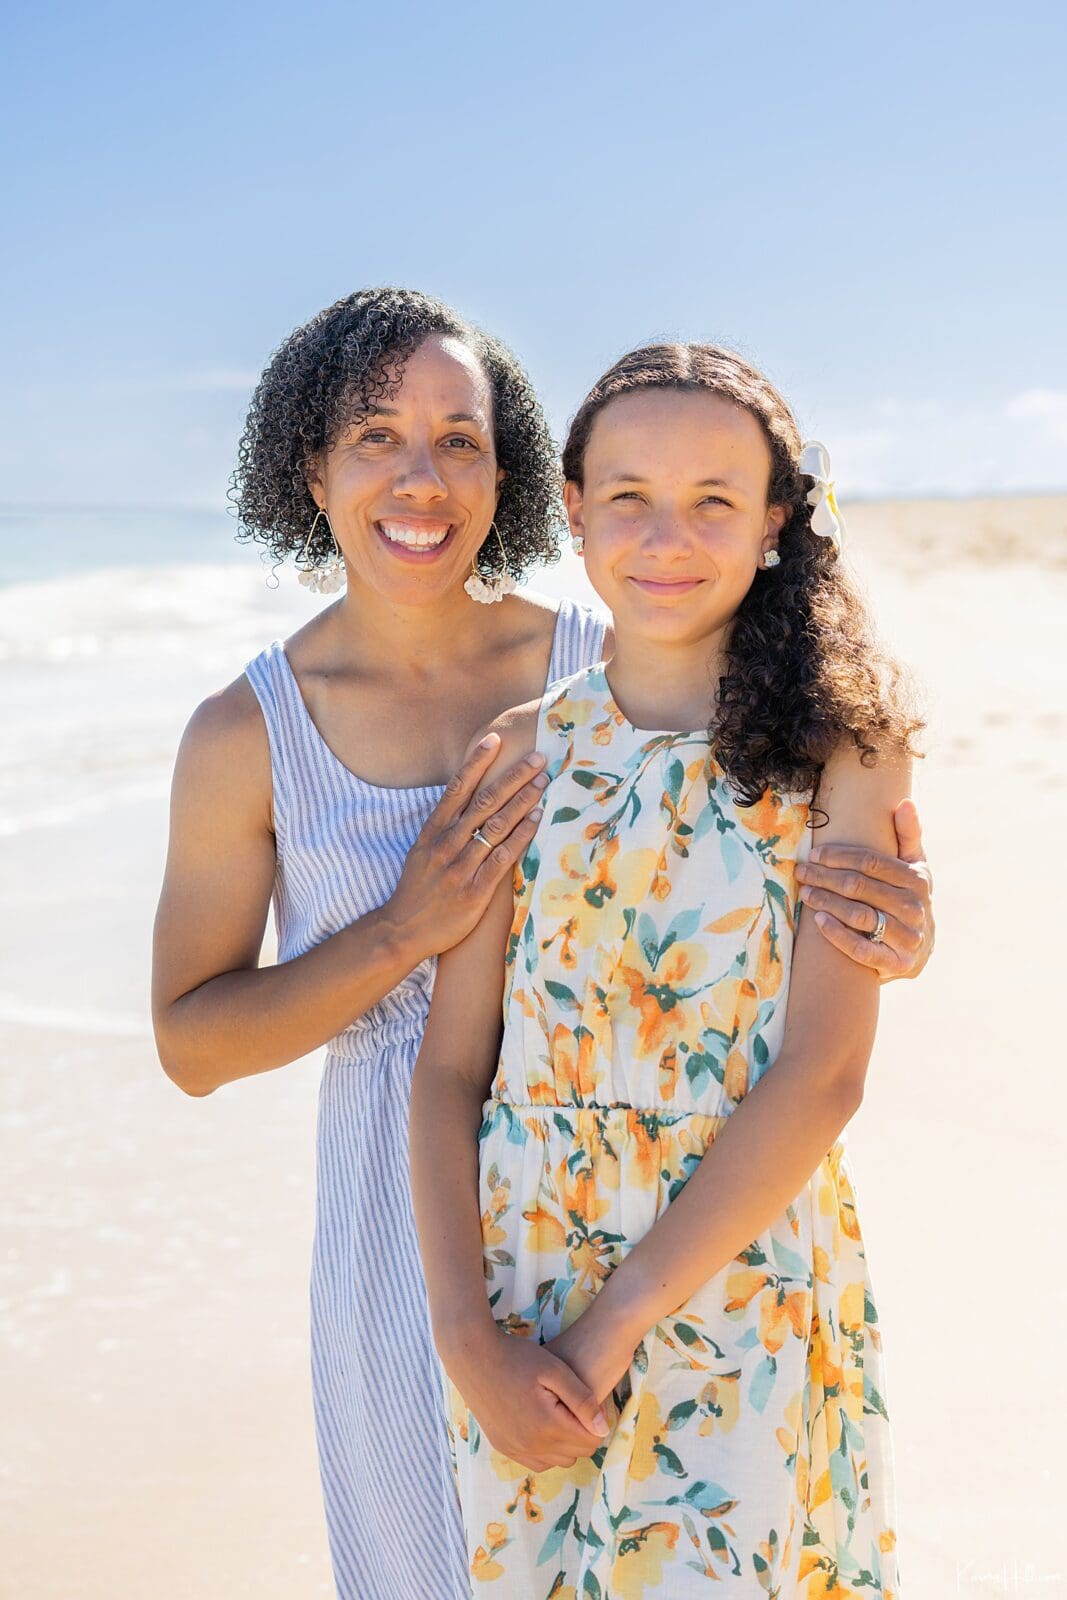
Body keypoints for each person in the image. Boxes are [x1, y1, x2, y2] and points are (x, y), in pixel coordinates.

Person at [152, 294, 932, 1600]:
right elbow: (190, 1043)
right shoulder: (251, 731)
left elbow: (759, 888)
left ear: (514, 477)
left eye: (458, 439)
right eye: (373, 436)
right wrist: (407, 927)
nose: (420, 475)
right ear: (309, 467)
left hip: (680, 1217)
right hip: (402, 1208)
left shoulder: (611, 651)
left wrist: (889, 927)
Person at [409, 342, 924, 1598]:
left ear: (774, 525)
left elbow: (822, 1078)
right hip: (525, 1285)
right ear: (573, 511)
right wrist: (468, 1337)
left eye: (713, 501)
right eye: (626, 496)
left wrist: (616, 1322)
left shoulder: (838, 751)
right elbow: (447, 1070)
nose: (665, 535)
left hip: (734, 1276)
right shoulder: (520, 750)